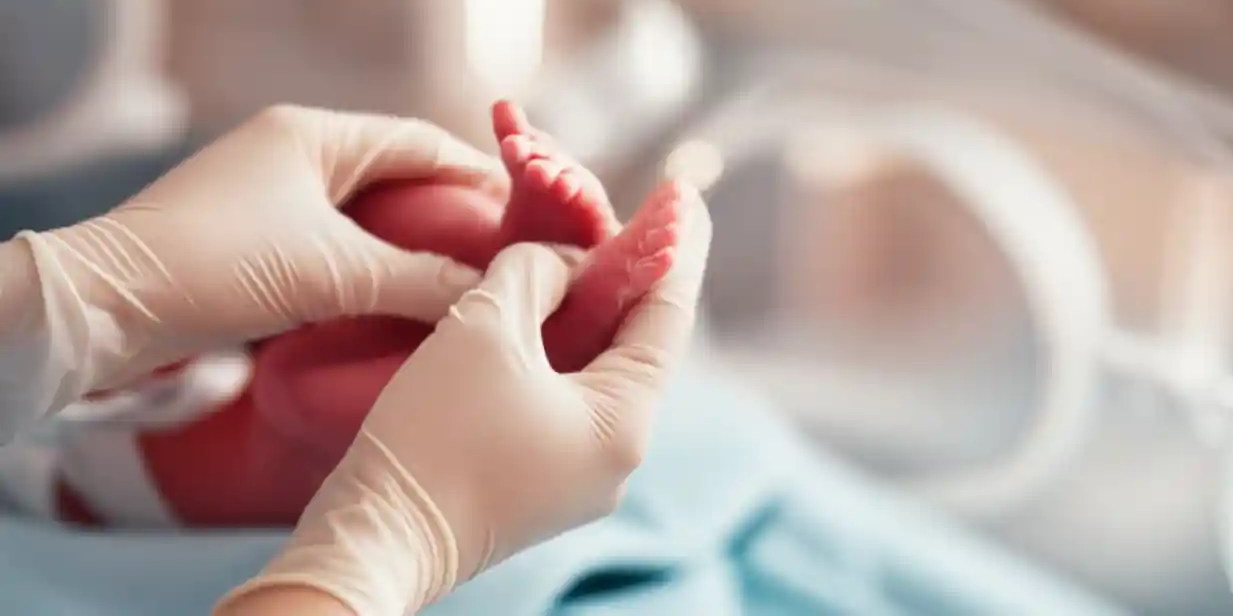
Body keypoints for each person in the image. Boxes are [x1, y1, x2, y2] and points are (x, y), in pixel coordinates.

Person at [0, 104, 712, 615]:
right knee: (216, 446)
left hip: (121, 416)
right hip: (94, 485)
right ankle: (517, 300)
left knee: (215, 393)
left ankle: (487, 267)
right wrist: (390, 538)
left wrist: (73, 289)